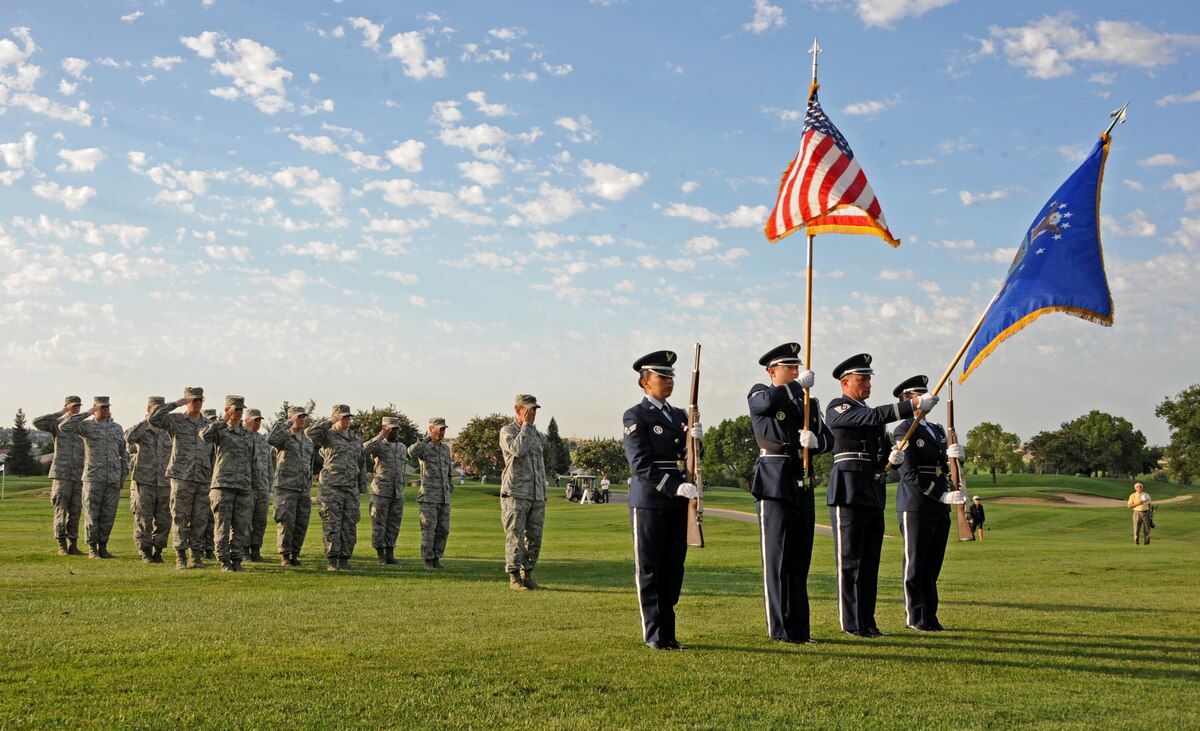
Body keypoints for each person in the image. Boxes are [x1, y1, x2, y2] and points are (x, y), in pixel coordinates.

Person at [825, 353, 936, 637]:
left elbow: (880, 444)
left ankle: (868, 622)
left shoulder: (871, 414)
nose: (868, 384)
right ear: (845, 382)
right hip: (848, 491)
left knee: (869, 562)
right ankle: (851, 623)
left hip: (872, 491)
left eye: (869, 379)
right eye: (862, 379)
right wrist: (911, 405)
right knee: (850, 562)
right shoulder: (839, 406)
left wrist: (892, 457)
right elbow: (870, 416)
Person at [747, 342, 833, 644]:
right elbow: (762, 406)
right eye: (789, 368)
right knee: (778, 561)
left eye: (797, 367)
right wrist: (796, 385)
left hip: (802, 481)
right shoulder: (761, 391)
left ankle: (800, 630)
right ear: (773, 371)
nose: (796, 372)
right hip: (774, 483)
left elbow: (829, 439)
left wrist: (815, 443)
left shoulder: (809, 402)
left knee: (799, 561)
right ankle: (781, 629)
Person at [623, 350, 703, 650]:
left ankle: (669, 633)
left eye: (671, 376)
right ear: (645, 382)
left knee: (673, 568)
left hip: (677, 501)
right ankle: (655, 635)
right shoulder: (636, 415)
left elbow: (692, 459)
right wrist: (673, 487)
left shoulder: (680, 415)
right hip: (651, 500)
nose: (669, 381)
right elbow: (640, 464)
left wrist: (696, 439)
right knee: (650, 568)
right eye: (662, 376)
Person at [891, 375, 968, 632]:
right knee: (915, 565)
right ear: (908, 400)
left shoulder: (935, 429)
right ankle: (915, 617)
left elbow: (946, 466)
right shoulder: (904, 429)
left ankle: (930, 618)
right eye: (919, 396)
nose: (927, 400)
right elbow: (910, 474)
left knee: (932, 565)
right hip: (916, 504)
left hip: (939, 507)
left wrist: (958, 457)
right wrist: (941, 495)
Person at [149, 387, 215, 569]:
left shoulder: (208, 424)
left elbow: (213, 454)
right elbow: (154, 419)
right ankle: (180, 556)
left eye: (200, 399)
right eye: (193, 400)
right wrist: (174, 404)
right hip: (181, 476)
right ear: (187, 401)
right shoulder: (176, 420)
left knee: (200, 519)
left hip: (202, 477)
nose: (198, 403)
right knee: (180, 517)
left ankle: (196, 556)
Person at [59, 397, 128, 559]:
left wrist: (123, 475)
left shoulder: (117, 428)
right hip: (93, 478)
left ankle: (103, 547)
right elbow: (64, 426)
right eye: (102, 407)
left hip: (112, 478)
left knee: (108, 515)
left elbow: (123, 454)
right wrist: (87, 413)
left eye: (107, 407)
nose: (105, 410)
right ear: (95, 408)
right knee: (92, 513)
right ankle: (92, 548)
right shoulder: (87, 426)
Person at [307, 404, 366, 571]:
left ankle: (345, 559)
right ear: (335, 417)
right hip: (331, 487)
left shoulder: (356, 439)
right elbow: (310, 434)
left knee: (350, 523)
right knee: (332, 524)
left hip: (351, 488)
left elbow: (360, 464)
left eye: (348, 417)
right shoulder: (328, 435)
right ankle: (332, 560)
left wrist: (361, 487)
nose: (346, 419)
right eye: (343, 416)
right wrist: (330, 421)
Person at [201, 396, 256, 572]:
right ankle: (224, 561)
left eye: (240, 410)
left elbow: (252, 460)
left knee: (241, 527)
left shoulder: (248, 434)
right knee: (222, 526)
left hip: (243, 486)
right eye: (235, 409)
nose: (238, 412)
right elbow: (204, 435)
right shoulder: (220, 430)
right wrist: (223, 420)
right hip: (223, 485)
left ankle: (237, 559)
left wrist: (253, 485)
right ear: (227, 410)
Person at [499, 394, 547, 590]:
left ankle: (527, 575)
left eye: (535, 410)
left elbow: (542, 448)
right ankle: (513, 578)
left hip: (536, 493)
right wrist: (525, 426)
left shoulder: (536, 434)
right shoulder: (508, 431)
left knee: (535, 537)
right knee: (515, 536)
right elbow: (517, 449)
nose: (533, 413)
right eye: (529, 410)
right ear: (518, 410)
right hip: (516, 493)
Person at [34, 396, 86, 556]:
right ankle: (61, 544)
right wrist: (61, 412)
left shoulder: (82, 426)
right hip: (61, 474)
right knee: (61, 509)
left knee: (76, 511)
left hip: (79, 474)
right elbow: (37, 422)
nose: (76, 409)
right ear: (67, 406)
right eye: (73, 406)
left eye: (78, 406)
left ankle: (73, 544)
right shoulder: (57, 424)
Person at [125, 396, 173, 563]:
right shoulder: (143, 429)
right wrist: (147, 421)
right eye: (156, 410)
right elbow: (128, 437)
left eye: (162, 409)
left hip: (165, 481)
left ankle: (158, 550)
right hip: (144, 480)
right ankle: (145, 550)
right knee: (143, 518)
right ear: (149, 410)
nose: (160, 413)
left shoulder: (169, 430)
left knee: (165, 520)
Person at [268, 405, 315, 566]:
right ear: (291, 418)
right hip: (286, 487)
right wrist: (287, 424)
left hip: (303, 488)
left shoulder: (308, 442)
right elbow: (271, 439)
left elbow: (309, 465)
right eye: (298, 417)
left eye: (303, 417)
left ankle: (295, 553)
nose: (301, 419)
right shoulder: (285, 437)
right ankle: (285, 555)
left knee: (301, 523)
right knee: (286, 523)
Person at [409, 417, 455, 569]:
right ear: (431, 429)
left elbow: (448, 472)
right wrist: (428, 437)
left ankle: (437, 558)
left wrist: (450, 487)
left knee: (443, 530)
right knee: (429, 529)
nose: (442, 432)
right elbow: (412, 452)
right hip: (429, 496)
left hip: (444, 496)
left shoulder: (445, 449)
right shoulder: (425, 447)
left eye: (443, 429)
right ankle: (428, 560)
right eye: (439, 429)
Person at [364, 416, 409, 566]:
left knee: (394, 525)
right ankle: (380, 555)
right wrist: (380, 436)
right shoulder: (378, 445)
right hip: (381, 492)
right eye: (392, 429)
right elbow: (363, 450)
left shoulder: (402, 447)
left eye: (397, 429)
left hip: (397, 492)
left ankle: (390, 554)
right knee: (379, 524)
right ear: (385, 429)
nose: (395, 431)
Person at [244, 408, 273, 562]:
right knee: (245, 521)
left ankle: (256, 549)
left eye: (259, 420)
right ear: (246, 420)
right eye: (254, 419)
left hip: (262, 486)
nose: (258, 422)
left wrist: (269, 484)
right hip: (246, 486)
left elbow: (268, 464)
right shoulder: (241, 437)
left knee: (260, 521)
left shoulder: (263, 440)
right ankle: (244, 551)